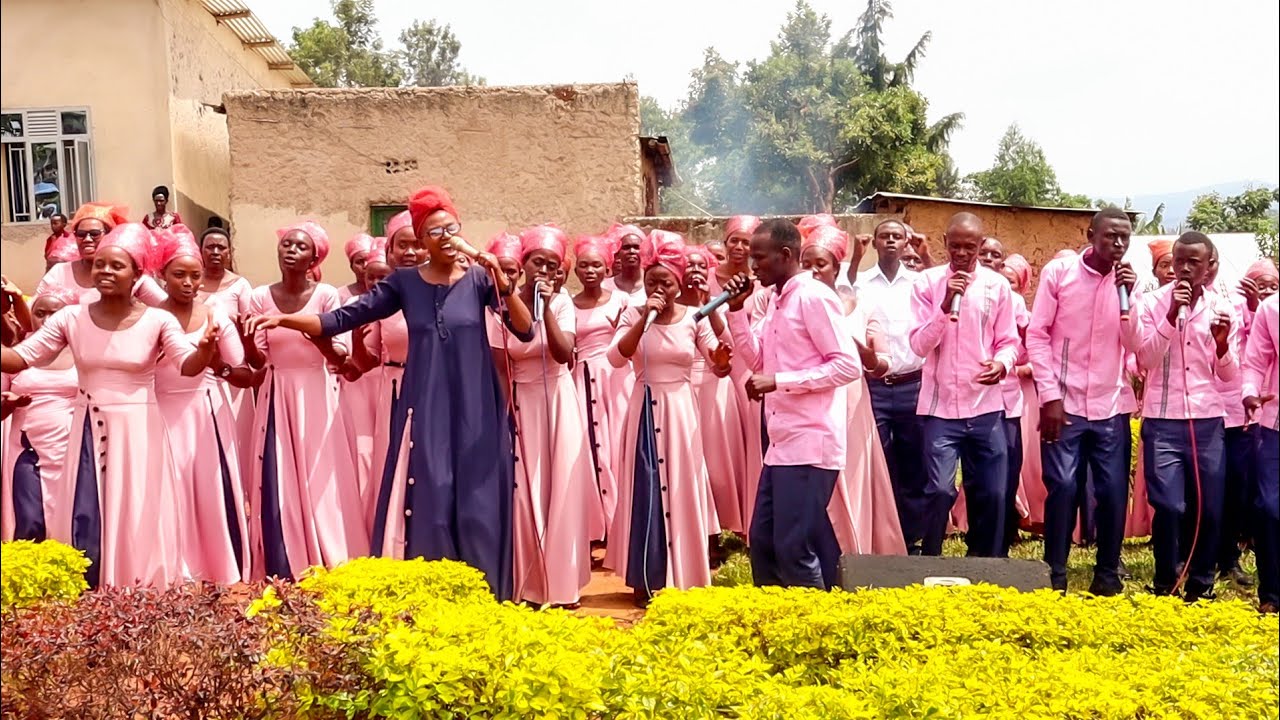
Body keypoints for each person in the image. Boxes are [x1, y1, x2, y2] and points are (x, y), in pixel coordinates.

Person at [246, 185, 532, 600]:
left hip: (479, 409)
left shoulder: (479, 280)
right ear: (422, 242)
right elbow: (341, 318)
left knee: (480, 506)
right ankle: (437, 603)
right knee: (432, 505)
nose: (446, 238)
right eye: (434, 233)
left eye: (452, 228)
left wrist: (498, 277)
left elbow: (523, 328)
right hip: (427, 407)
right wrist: (284, 321)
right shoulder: (404, 284)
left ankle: (487, 601)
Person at [1, 223, 217, 587]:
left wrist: (207, 348)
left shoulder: (158, 319)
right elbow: (21, 358)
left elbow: (188, 365)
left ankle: (142, 587)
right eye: (100, 264)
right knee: (89, 508)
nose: (104, 271)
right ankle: (95, 588)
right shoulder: (71, 317)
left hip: (140, 431)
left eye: (116, 265)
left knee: (138, 507)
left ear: (137, 274)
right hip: (89, 425)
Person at [723, 218, 860, 589]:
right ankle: (771, 627)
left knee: (793, 546)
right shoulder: (778, 302)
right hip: (782, 444)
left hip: (811, 443)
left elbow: (848, 366)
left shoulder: (814, 297)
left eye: (759, 258)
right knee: (764, 543)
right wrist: (736, 311)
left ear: (786, 255)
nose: (752, 266)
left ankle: (812, 633)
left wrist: (780, 382)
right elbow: (757, 361)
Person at [243, 220, 368, 581]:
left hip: (317, 392)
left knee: (322, 475)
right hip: (276, 391)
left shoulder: (327, 295)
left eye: (300, 246)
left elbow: (336, 356)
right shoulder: (258, 297)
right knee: (278, 473)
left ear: (315, 256)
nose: (291, 250)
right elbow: (257, 362)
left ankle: (330, 553)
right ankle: (284, 560)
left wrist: (301, 325)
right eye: (287, 244)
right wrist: (247, 335)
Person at [607, 230, 727, 605]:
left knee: (680, 488)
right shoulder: (633, 311)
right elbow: (615, 357)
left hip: (680, 411)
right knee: (646, 489)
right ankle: (645, 578)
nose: (657, 286)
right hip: (643, 407)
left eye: (665, 280)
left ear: (679, 283)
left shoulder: (695, 316)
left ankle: (684, 575)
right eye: (651, 279)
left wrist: (722, 361)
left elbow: (716, 360)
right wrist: (644, 318)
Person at [1026, 209, 1140, 592]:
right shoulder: (1059, 274)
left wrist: (1130, 301)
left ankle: (1106, 574)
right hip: (1065, 403)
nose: (1118, 244)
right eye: (1111, 236)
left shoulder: (1128, 283)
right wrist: (1050, 396)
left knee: (1110, 493)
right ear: (1090, 234)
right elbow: (1038, 335)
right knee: (1062, 486)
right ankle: (1054, 573)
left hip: (1110, 406)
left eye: (1125, 237)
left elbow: (1135, 345)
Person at [491, 225, 602, 607]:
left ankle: (563, 586)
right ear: (522, 264)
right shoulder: (498, 307)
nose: (545, 270)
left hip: (559, 398)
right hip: (523, 403)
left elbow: (563, 354)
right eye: (538, 261)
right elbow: (501, 368)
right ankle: (529, 584)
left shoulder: (562, 303)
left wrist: (548, 309)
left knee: (563, 490)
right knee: (526, 491)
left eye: (553, 266)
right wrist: (506, 418)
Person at [908, 212, 1020, 558]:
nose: (961, 253)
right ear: (944, 243)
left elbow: (1010, 341)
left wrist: (1002, 364)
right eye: (954, 246)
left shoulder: (997, 285)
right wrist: (943, 308)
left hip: (985, 406)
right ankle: (931, 556)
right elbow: (917, 345)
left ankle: (984, 562)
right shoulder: (926, 283)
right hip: (940, 409)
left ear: (980, 245)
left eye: (969, 247)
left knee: (993, 493)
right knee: (940, 490)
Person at [1137, 232, 1237, 601]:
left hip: (1207, 420)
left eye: (1194, 262)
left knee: (1208, 509)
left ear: (1209, 267)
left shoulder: (1224, 308)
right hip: (1163, 420)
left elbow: (1228, 376)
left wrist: (1223, 344)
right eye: (1180, 260)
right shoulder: (1150, 304)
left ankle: (1201, 583)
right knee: (1168, 504)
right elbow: (1143, 361)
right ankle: (1166, 579)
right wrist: (1168, 318)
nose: (1184, 268)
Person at [153, 228, 252, 584]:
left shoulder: (215, 316)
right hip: (162, 413)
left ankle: (218, 566)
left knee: (211, 488)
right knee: (171, 490)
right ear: (161, 275)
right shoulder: (149, 318)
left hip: (207, 410)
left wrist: (217, 364)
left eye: (195, 276)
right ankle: (175, 569)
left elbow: (243, 372)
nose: (188, 283)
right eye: (179, 274)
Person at [801, 225, 905, 556]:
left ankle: (857, 550)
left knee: (854, 473)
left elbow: (884, 360)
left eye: (820, 264)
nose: (813, 271)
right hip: (808, 403)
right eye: (806, 264)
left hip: (851, 402)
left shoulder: (861, 305)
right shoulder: (791, 304)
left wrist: (869, 357)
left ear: (837, 266)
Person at [854, 219, 930, 554]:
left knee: (914, 463)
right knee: (879, 462)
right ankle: (880, 535)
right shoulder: (858, 283)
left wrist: (927, 256)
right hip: (874, 387)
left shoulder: (919, 282)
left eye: (897, 237)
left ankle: (911, 537)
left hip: (913, 384)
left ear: (906, 243)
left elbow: (945, 296)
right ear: (874, 242)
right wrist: (854, 261)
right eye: (884, 236)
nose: (890, 241)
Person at [677, 243, 744, 535]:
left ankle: (724, 527)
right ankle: (695, 526)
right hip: (682, 387)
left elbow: (726, 339)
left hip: (713, 384)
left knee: (718, 459)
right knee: (692, 457)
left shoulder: (720, 301)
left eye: (701, 266)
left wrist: (710, 303)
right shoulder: (670, 304)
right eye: (688, 265)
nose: (695, 270)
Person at [2, 289, 78, 542]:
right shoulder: (17, 354)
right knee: (29, 519)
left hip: (71, 448)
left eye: (54, 314)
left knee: (71, 516)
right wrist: (8, 405)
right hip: (25, 448)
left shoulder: (84, 354)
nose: (46, 320)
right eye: (40, 313)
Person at [1202, 248, 1257, 588]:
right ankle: (1197, 558)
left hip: (1237, 413)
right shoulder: (1171, 303)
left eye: (1209, 263)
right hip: (1202, 413)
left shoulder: (1231, 308)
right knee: (1206, 494)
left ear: (1216, 267)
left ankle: (1230, 559)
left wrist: (1253, 307)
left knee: (1235, 490)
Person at [710, 215, 769, 530]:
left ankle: (753, 519)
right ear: (725, 242)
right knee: (722, 449)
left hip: (749, 368)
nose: (739, 247)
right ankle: (722, 520)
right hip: (715, 370)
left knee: (754, 445)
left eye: (747, 242)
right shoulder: (704, 277)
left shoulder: (760, 286)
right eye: (734, 239)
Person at [571, 234, 630, 532]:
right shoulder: (569, 305)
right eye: (584, 266)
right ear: (576, 270)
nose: (590, 271)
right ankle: (599, 524)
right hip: (583, 379)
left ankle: (623, 521)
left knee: (618, 443)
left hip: (617, 377)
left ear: (607, 268)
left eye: (596, 265)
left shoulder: (622, 301)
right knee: (593, 446)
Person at [36, 203, 166, 307]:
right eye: (80, 234)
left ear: (111, 235)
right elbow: (33, 312)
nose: (87, 239)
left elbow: (167, 308)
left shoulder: (130, 276)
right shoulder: (59, 273)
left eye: (94, 234)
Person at [1242, 292, 1278, 613]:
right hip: (1274, 425)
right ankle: (1271, 594)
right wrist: (1250, 392)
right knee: (1268, 507)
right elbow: (1254, 361)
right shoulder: (1272, 308)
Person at [602, 224, 647, 303]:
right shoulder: (604, 286)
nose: (632, 251)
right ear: (617, 252)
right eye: (626, 247)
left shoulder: (651, 285)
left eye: (636, 247)